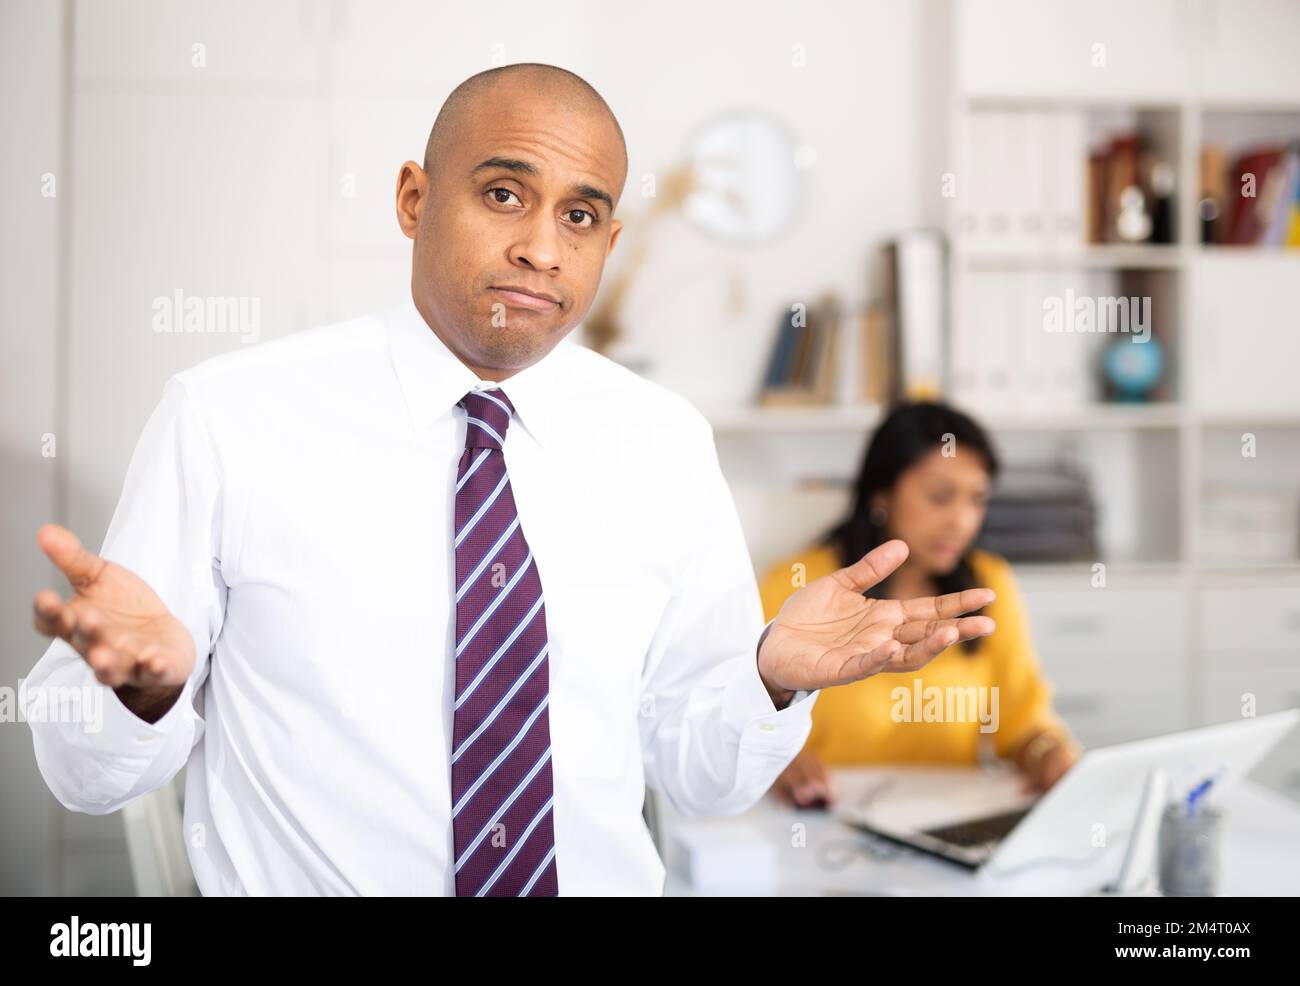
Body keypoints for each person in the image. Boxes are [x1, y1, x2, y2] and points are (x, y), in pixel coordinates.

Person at [25, 64, 993, 896]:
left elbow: (699, 777)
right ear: (413, 197)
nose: (541, 245)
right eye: (502, 194)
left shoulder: (662, 443)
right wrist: (142, 694)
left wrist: (768, 680)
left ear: (608, 245)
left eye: (580, 215)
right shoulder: (228, 418)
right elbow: (82, 774)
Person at [760, 402, 1080, 809]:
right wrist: (776, 756)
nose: (962, 521)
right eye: (940, 497)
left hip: (946, 823)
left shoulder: (988, 585)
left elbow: (1022, 724)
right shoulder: (798, 583)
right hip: (821, 824)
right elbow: (748, 711)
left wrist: (1046, 753)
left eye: (977, 499)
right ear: (883, 493)